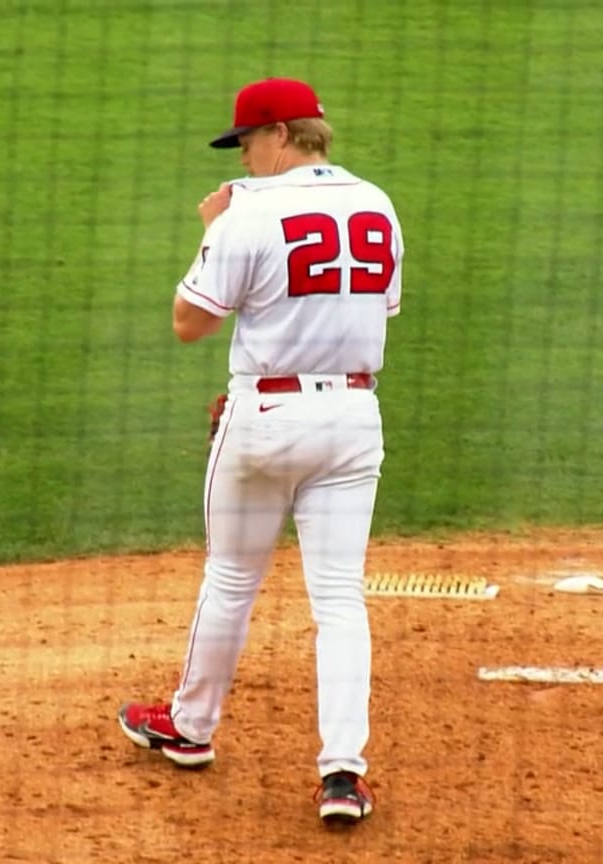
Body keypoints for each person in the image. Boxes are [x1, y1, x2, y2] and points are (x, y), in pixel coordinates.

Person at [116, 77, 404, 826]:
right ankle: (343, 774)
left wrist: (210, 231)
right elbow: (378, 304)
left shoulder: (247, 211)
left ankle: (190, 728)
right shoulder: (377, 203)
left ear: (279, 134)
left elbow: (190, 322)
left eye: (246, 141)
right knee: (340, 599)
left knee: (232, 578)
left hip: (266, 416)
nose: (243, 157)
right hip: (354, 415)